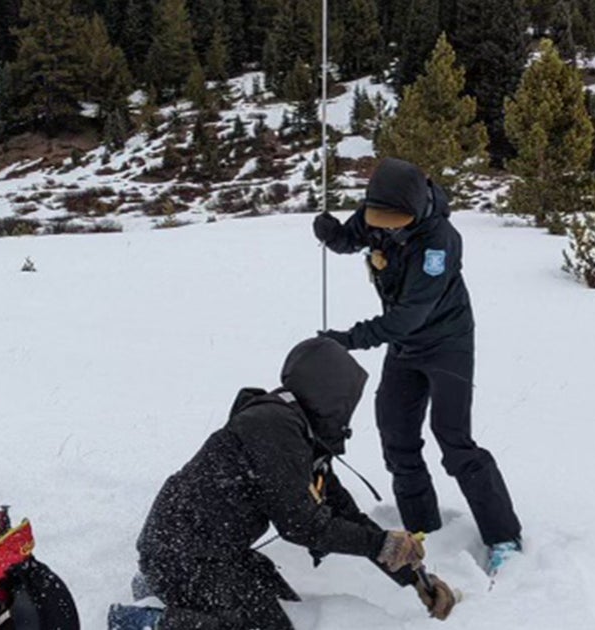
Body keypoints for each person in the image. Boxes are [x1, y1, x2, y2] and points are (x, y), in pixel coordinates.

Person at [115, 338, 456, 630]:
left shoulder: (301, 437)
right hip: (180, 554)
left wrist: (415, 577)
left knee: (283, 605)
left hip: (217, 554)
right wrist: (381, 544)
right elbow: (302, 525)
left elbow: (345, 513)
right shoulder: (272, 427)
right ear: (331, 395)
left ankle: (163, 589)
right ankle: (147, 621)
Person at [312, 157, 522, 574]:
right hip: (404, 348)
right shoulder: (378, 213)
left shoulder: (439, 242)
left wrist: (348, 340)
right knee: (396, 434)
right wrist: (333, 236)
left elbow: (410, 314)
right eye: (380, 219)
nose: (386, 227)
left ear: (416, 208)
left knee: (454, 439)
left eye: (395, 221)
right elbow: (354, 238)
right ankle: (422, 525)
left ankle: (503, 536)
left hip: (447, 345)